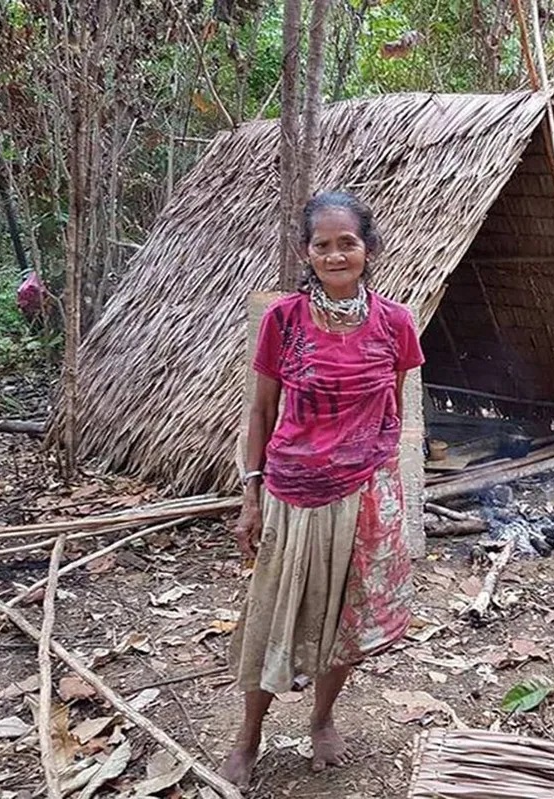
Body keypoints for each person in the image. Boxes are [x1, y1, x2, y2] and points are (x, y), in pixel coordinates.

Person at [221, 191, 424, 787]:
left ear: (368, 248)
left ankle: (323, 718)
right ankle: (249, 735)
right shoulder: (282, 321)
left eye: (348, 243)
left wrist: (396, 499)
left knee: (347, 620)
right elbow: (259, 412)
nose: (336, 255)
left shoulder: (395, 322)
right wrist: (251, 495)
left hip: (365, 493)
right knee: (273, 616)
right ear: (306, 253)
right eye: (322, 245)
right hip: (292, 492)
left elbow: (398, 409)